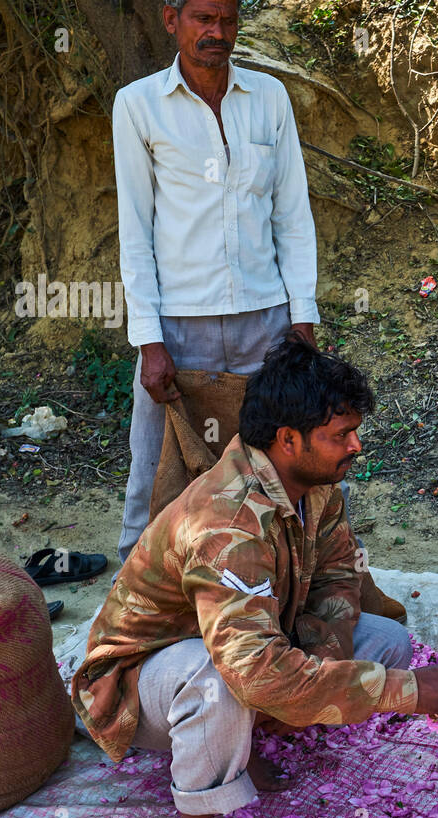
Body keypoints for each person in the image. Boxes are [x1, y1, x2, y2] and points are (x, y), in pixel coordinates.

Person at [72, 335, 438, 818]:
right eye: (341, 435)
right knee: (220, 682)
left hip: (243, 643)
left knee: (389, 641)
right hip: (140, 680)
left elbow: (336, 580)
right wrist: (398, 692)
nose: (356, 446)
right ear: (288, 439)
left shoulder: (316, 485)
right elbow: (251, 668)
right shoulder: (227, 526)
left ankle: (251, 733)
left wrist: (318, 673)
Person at [112, 0, 322, 564]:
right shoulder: (137, 106)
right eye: (203, 19)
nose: (217, 32)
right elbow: (135, 231)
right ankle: (137, 590)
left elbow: (292, 217)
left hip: (266, 317)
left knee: (288, 453)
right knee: (157, 461)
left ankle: (302, 572)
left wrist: (301, 318)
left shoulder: (269, 98)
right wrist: (148, 340)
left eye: (227, 20)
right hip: (179, 323)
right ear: (171, 19)